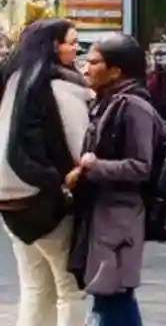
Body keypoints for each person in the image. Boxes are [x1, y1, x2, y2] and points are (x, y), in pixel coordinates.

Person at [67, 33, 166, 326]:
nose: (85, 69)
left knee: (113, 298)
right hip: (105, 216)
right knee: (109, 299)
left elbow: (140, 167)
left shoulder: (134, 107)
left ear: (116, 71)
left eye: (94, 62)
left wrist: (94, 166)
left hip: (119, 221)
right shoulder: (108, 103)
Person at [0, 19, 90, 326]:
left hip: (10, 200)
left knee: (35, 287)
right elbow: (78, 142)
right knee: (70, 289)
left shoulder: (11, 81)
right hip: (49, 199)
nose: (76, 48)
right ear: (53, 45)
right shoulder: (61, 86)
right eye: (71, 41)